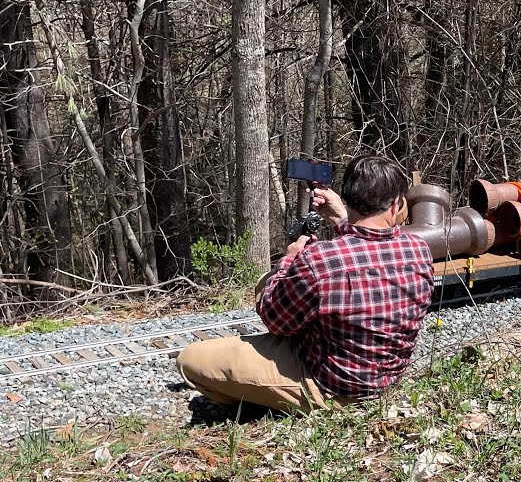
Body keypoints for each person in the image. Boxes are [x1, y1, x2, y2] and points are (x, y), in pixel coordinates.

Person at [177, 155, 436, 414]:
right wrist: (341, 220)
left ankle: (262, 404)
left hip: (332, 389)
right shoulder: (419, 250)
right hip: (385, 383)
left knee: (191, 360)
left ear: (348, 196)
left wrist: (289, 260)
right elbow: (370, 246)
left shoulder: (320, 259)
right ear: (396, 204)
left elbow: (275, 321)